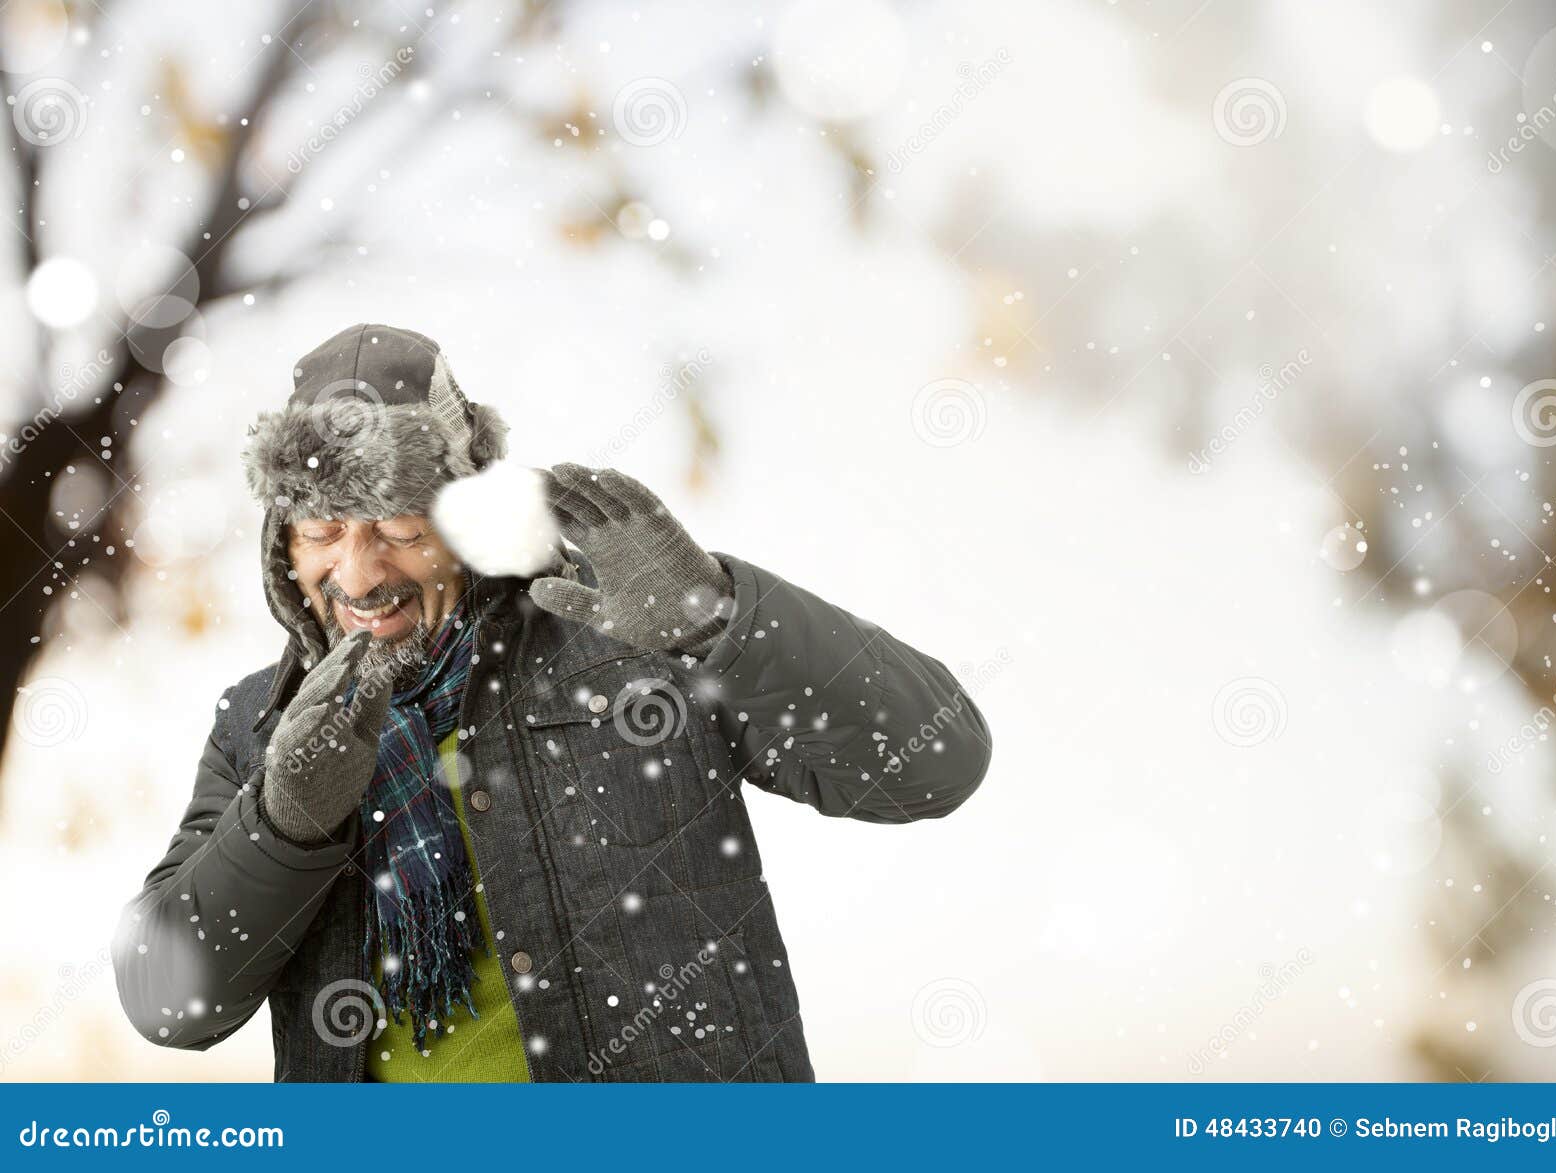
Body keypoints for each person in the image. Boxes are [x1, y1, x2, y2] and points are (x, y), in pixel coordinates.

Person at [112, 323, 991, 1082]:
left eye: (401, 528)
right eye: (322, 529)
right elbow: (168, 1002)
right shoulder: (259, 726)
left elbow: (933, 761)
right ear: (284, 544)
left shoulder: (632, 639)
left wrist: (717, 619)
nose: (360, 572)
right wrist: (284, 824)